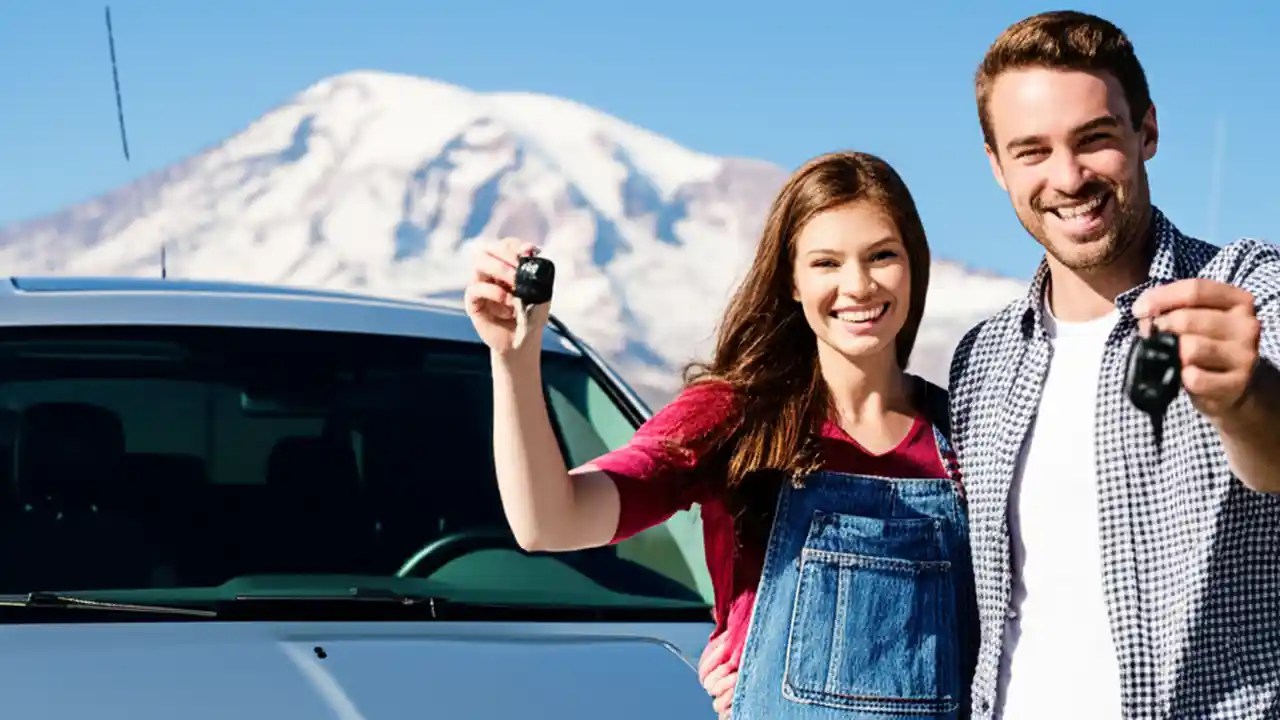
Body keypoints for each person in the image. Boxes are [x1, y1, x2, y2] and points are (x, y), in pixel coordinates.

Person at [464, 150, 979, 719]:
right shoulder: (735, 418)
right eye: (826, 263)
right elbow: (550, 522)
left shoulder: (967, 432)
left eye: (882, 256)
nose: (857, 285)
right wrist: (514, 362)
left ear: (915, 264)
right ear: (791, 280)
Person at [947, 10, 1280, 720]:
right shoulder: (981, 360)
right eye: (1031, 150)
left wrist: (1243, 395)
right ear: (996, 165)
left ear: (1146, 132)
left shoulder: (1247, 291)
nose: (1068, 178)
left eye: (1094, 140)